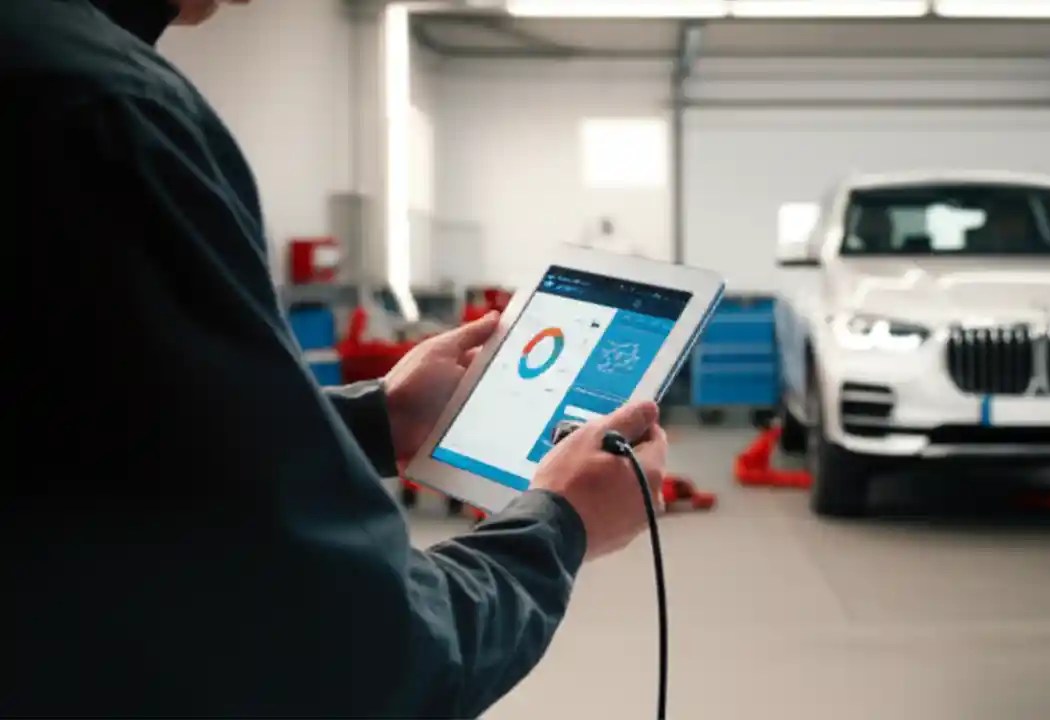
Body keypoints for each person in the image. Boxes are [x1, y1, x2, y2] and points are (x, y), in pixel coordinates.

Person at [0, 1, 668, 716]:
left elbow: (91, 449)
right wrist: (560, 524)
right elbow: (358, 650)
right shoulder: (103, 111)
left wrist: (375, 419)